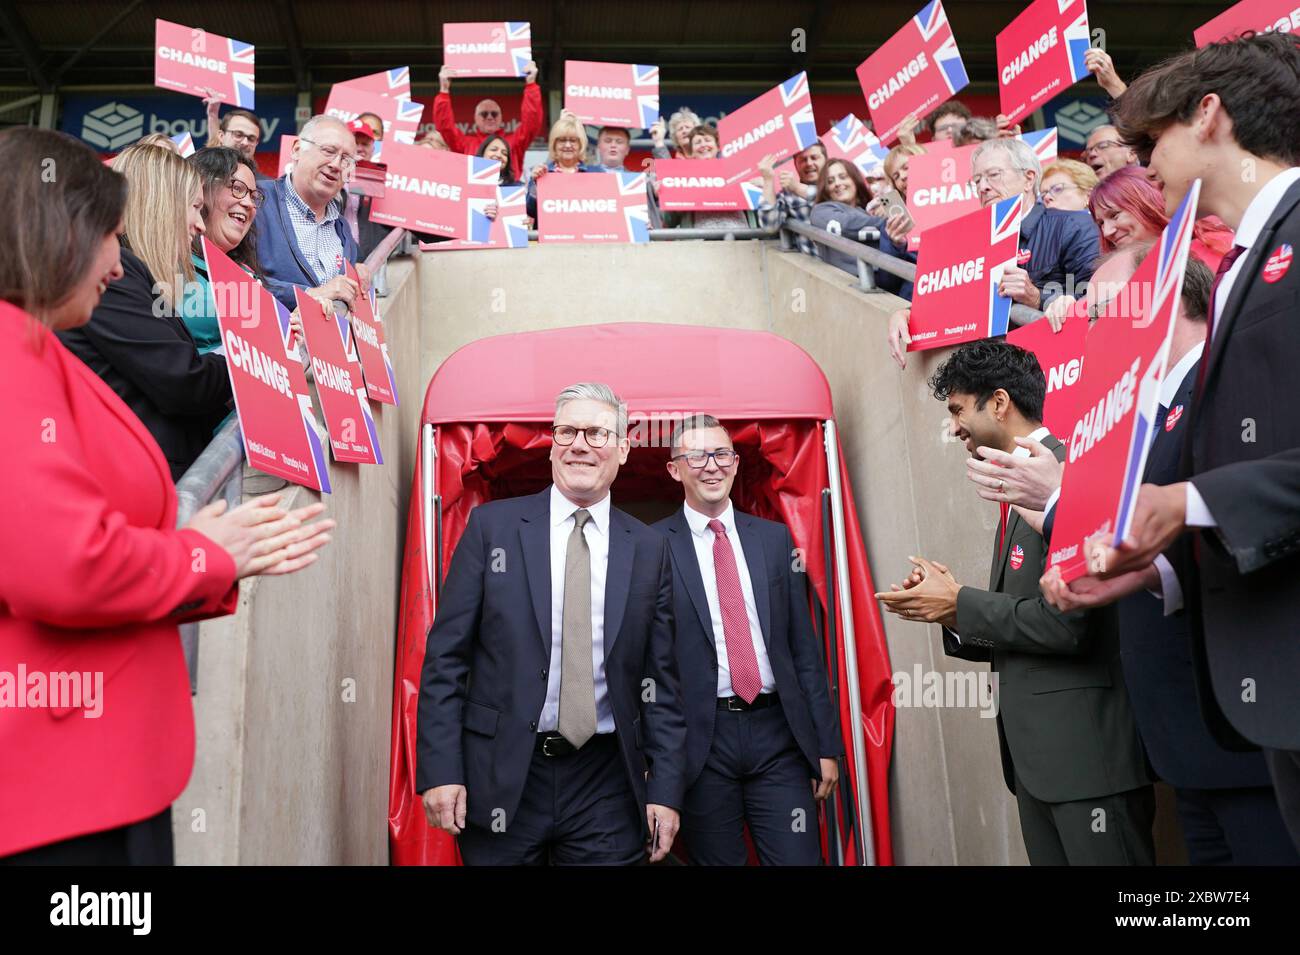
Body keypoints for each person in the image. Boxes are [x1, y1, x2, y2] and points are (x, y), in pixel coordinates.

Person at [0, 127, 332, 864]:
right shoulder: (11, 357)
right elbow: (64, 565)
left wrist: (207, 558)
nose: (121, 264)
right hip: (62, 794)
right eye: (112, 237)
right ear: (59, 236)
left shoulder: (36, 348)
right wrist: (201, 556)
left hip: (97, 777)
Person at [1044, 31, 1300, 851]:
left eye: (1151, 141)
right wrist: (1151, 560)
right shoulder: (1243, 265)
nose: (1140, 164)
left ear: (1211, 115)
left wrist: (1185, 499)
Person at [877, 340, 1154, 865]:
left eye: (958, 410)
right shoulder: (1013, 488)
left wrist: (961, 604)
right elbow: (1021, 621)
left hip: (1088, 765)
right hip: (1035, 768)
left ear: (998, 403)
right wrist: (950, 608)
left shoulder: (1076, 475)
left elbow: (1068, 627)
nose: (954, 426)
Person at [416, 382, 687, 865]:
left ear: (623, 449)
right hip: (502, 776)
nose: (580, 444)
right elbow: (445, 661)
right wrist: (441, 770)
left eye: (598, 434)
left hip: (605, 782)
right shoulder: (491, 529)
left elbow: (661, 681)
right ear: (552, 443)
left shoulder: (649, 549)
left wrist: (664, 790)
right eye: (567, 431)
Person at [653, 415, 841, 865]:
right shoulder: (651, 547)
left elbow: (804, 652)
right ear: (675, 469)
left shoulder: (774, 541)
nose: (712, 465)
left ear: (736, 464)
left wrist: (826, 747)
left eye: (722, 454)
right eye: (696, 455)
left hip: (779, 736)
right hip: (700, 744)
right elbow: (645, 664)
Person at [55, 142, 232, 481]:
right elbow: (181, 381)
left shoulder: (134, 277)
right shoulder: (112, 276)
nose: (200, 225)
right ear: (162, 205)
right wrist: (248, 360)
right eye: (195, 208)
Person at [253, 115, 366, 312]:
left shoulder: (343, 229)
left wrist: (358, 270)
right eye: (328, 151)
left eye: (347, 160)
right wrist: (311, 294)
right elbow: (230, 283)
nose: (336, 165)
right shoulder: (254, 200)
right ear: (297, 149)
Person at [183, 146, 265, 355]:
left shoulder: (249, 274)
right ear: (200, 188)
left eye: (254, 196)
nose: (248, 203)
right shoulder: (166, 261)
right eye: (237, 188)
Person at [434, 61, 543, 182]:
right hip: (474, 196)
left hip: (509, 196)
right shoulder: (464, 144)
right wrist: (444, 91)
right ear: (475, 118)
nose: (490, 117)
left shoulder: (515, 142)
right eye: (484, 114)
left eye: (494, 114)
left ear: (501, 117)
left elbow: (532, 123)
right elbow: (445, 127)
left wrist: (531, 85)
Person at [657, 126, 752, 231]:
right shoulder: (684, 176)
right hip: (700, 240)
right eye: (698, 142)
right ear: (691, 151)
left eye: (708, 140)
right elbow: (671, 220)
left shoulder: (736, 170)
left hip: (740, 234)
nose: (703, 145)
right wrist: (668, 195)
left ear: (718, 147)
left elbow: (758, 201)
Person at [806, 159, 886, 276]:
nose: (837, 183)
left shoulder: (870, 210)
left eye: (843, 177)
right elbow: (847, 226)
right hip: (853, 285)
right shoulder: (821, 211)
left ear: (855, 180)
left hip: (888, 280)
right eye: (830, 181)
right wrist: (887, 223)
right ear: (826, 189)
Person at [525, 111, 607, 222]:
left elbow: (606, 211)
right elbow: (530, 212)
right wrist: (535, 184)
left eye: (573, 141)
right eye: (562, 140)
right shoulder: (542, 174)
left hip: (587, 236)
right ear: (554, 144)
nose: (567, 145)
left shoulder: (598, 174)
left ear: (581, 144)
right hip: (552, 237)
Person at [756, 143, 827, 256]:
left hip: (848, 267)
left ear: (826, 161)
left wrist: (798, 188)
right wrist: (768, 180)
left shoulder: (839, 186)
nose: (809, 163)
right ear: (795, 164)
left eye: (814, 158)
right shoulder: (789, 194)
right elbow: (769, 225)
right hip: (813, 267)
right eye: (803, 160)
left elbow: (827, 199)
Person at [341, 118, 392, 262]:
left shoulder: (384, 181)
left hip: (372, 265)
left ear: (373, 148)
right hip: (335, 261)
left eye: (365, 144)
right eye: (355, 143)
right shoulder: (329, 176)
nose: (359, 148)